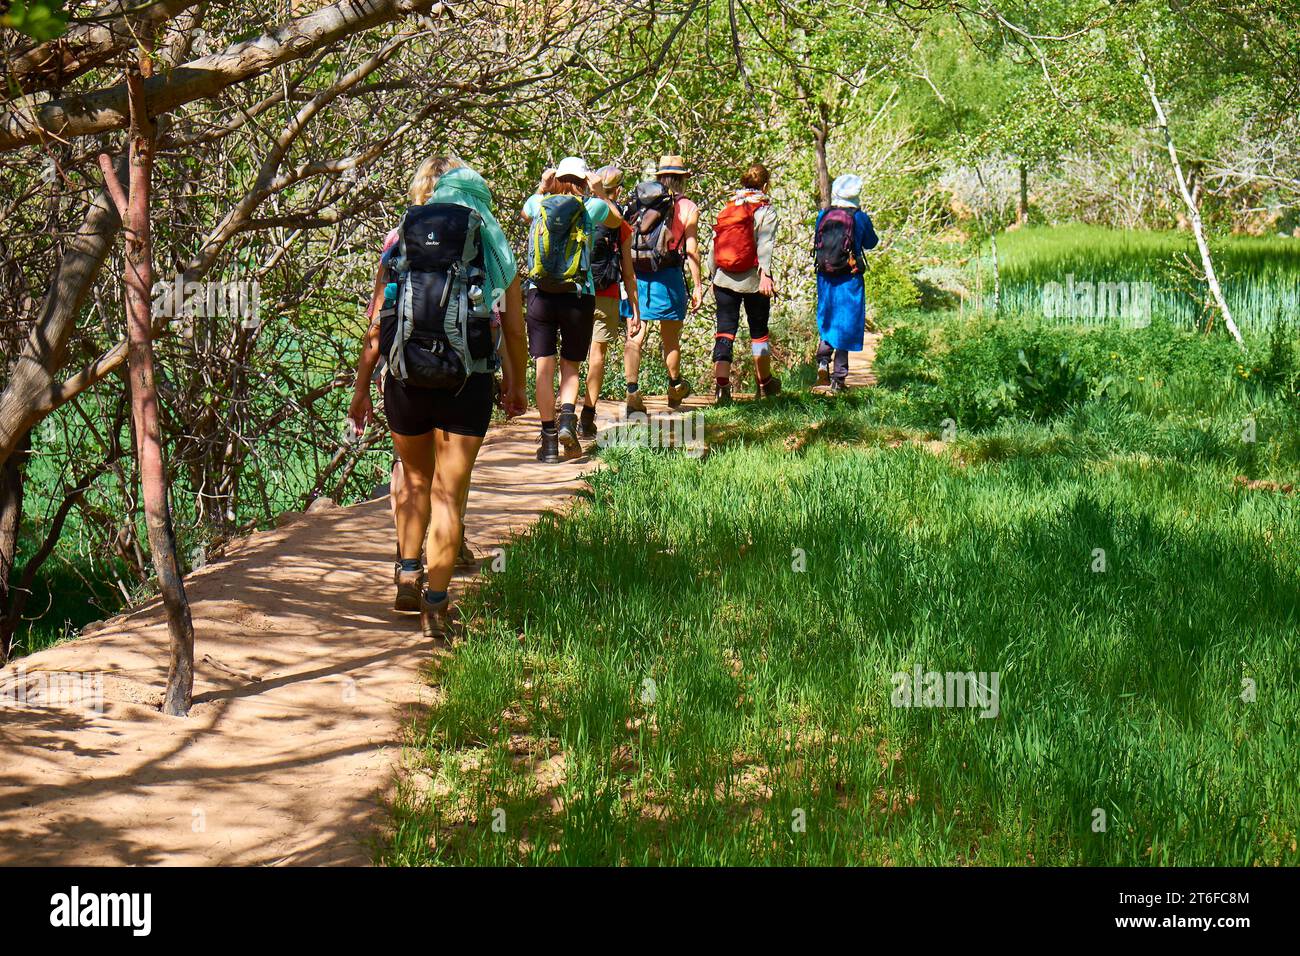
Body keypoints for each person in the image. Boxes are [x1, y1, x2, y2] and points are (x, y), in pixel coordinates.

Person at [351, 163, 527, 638]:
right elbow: (512, 328)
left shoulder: (401, 235)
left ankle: (407, 573)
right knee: (449, 495)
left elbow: (377, 321)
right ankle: (436, 606)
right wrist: (516, 384)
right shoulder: (492, 243)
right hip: (467, 381)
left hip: (404, 378)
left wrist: (362, 387)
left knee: (413, 478)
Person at [520, 156, 625, 461]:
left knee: (544, 364)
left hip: (540, 293)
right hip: (579, 294)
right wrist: (601, 192)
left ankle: (549, 441)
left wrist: (542, 186)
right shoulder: (592, 207)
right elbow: (617, 221)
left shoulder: (538, 203)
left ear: (558, 179)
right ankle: (567, 419)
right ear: (583, 181)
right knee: (570, 365)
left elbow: (526, 214)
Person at [625, 155, 703, 413]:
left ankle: (633, 392)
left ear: (659, 178)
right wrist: (698, 285)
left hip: (636, 275)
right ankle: (674, 387)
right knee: (670, 339)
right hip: (668, 276)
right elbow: (691, 249)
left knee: (635, 335)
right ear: (682, 179)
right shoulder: (688, 208)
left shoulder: (640, 203)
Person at [706, 162, 780, 405]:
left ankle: (722, 389)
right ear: (765, 185)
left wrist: (712, 275)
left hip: (724, 278)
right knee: (759, 332)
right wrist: (766, 274)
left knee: (725, 331)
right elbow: (765, 243)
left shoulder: (728, 207)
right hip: (754, 280)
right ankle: (764, 384)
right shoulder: (765, 210)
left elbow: (714, 244)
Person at [579, 165, 642, 438]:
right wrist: (636, 309)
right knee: (597, 355)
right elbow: (628, 272)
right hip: (605, 294)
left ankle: (565, 412)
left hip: (573, 291)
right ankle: (587, 414)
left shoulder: (577, 212)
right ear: (617, 192)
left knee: (569, 358)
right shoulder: (621, 225)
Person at [813, 173, 878, 392]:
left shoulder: (823, 214)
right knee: (846, 323)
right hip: (849, 276)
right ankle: (839, 379)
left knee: (828, 317)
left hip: (825, 277)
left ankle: (823, 360)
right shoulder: (860, 218)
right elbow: (872, 242)